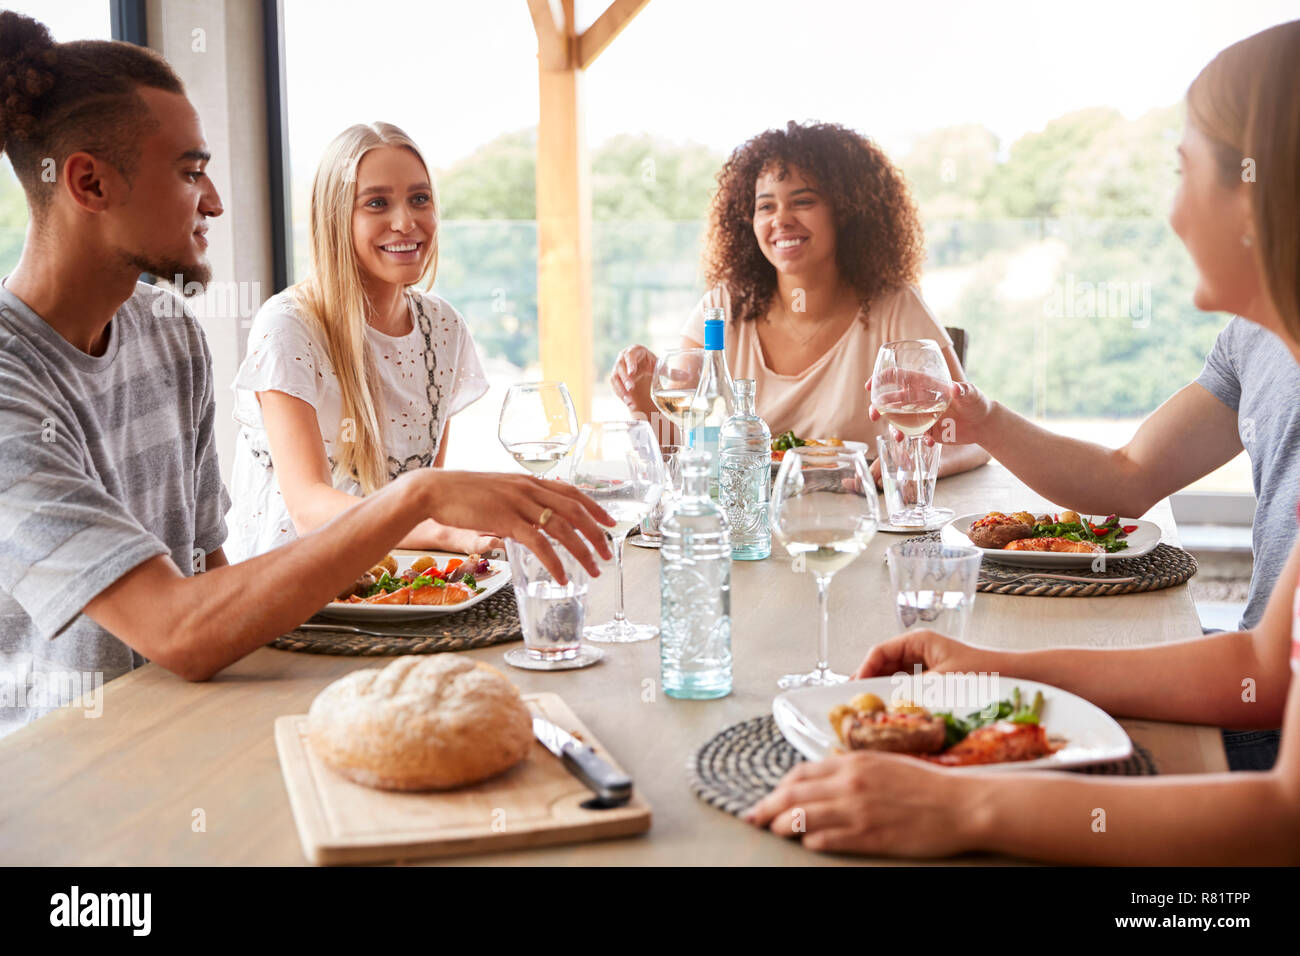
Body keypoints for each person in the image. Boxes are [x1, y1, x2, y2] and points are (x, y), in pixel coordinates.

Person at [747, 20, 1300, 863]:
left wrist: (968, 810)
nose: (1172, 211)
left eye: (1185, 171)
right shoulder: (1261, 341)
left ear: (1267, 195)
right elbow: (1141, 493)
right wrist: (993, 666)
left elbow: (1283, 821)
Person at [0, 13, 611, 738]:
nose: (216, 200)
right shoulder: (12, 383)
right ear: (89, 182)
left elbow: (212, 577)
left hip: (190, 719)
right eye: (191, 171)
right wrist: (422, 499)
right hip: (62, 765)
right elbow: (180, 628)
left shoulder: (170, 338)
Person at [610, 120, 989, 478]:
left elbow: (974, 438)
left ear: (846, 211)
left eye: (803, 201)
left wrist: (904, 467)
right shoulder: (723, 308)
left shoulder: (895, 305)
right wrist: (642, 395)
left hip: (858, 519)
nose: (782, 219)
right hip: (749, 529)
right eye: (766, 206)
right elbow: (684, 452)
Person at [227, 122, 497, 562]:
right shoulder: (289, 326)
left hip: (392, 581)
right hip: (290, 597)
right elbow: (309, 509)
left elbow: (426, 493)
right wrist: (447, 534)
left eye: (420, 199)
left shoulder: (443, 327)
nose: (405, 221)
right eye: (377, 203)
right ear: (336, 218)